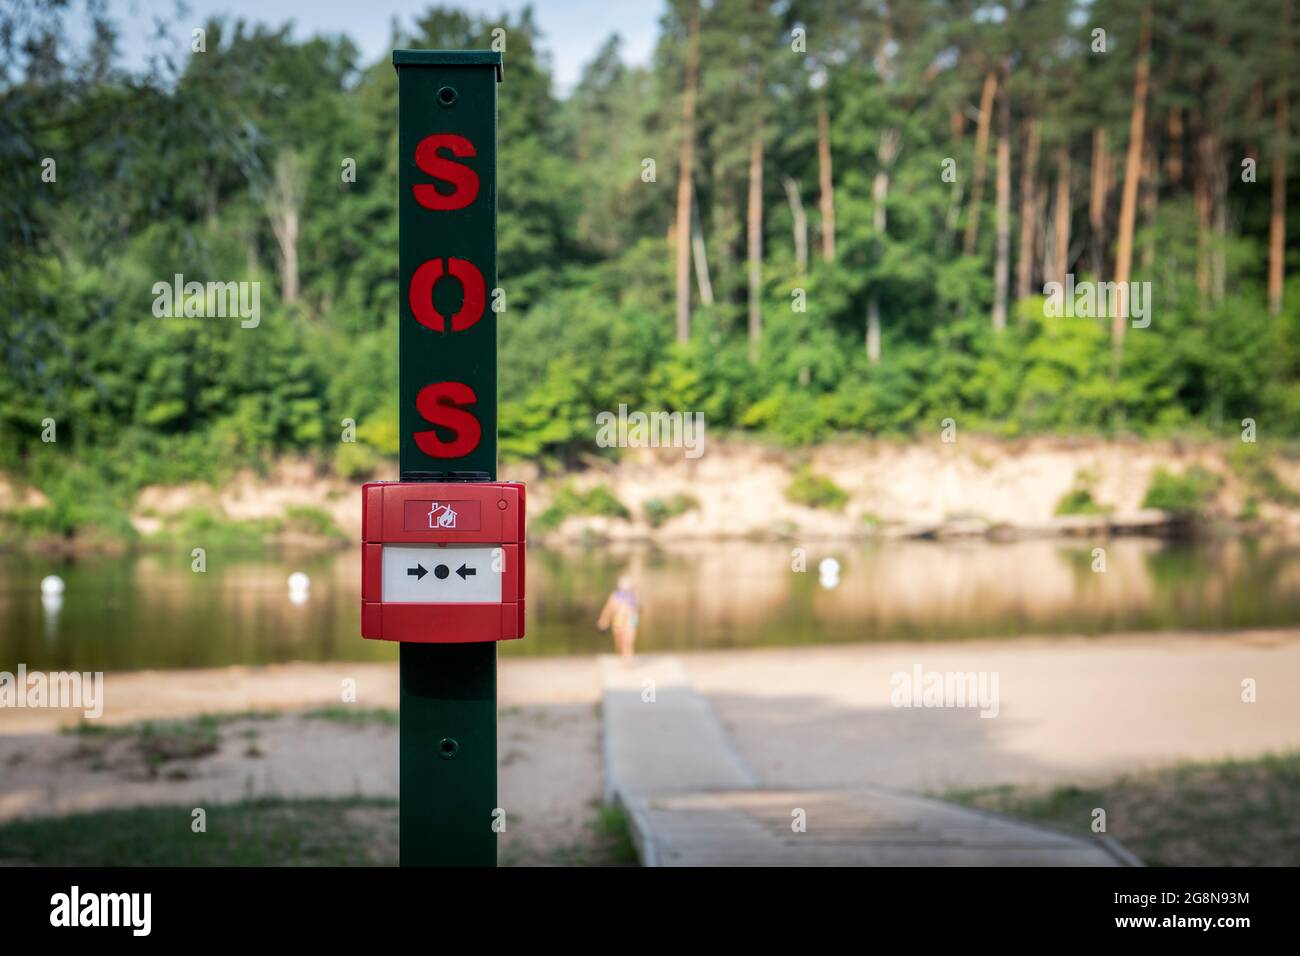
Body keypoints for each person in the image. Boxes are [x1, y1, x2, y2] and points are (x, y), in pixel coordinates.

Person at [597, 574, 640, 658]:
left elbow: (638, 608)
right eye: (624, 583)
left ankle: (628, 658)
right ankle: (622, 653)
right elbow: (608, 609)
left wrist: (633, 610)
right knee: (620, 642)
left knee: (629, 641)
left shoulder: (634, 595)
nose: (626, 585)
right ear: (620, 585)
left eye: (628, 583)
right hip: (618, 619)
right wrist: (604, 620)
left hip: (631, 619)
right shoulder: (615, 595)